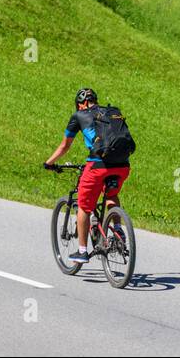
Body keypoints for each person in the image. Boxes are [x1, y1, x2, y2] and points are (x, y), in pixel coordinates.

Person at [44, 88, 132, 266]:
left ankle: (82, 251)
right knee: (111, 195)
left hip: (97, 165)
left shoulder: (79, 115)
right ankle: (117, 229)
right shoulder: (112, 112)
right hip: (122, 165)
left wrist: (49, 163)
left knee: (84, 206)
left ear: (81, 103)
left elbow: (64, 147)